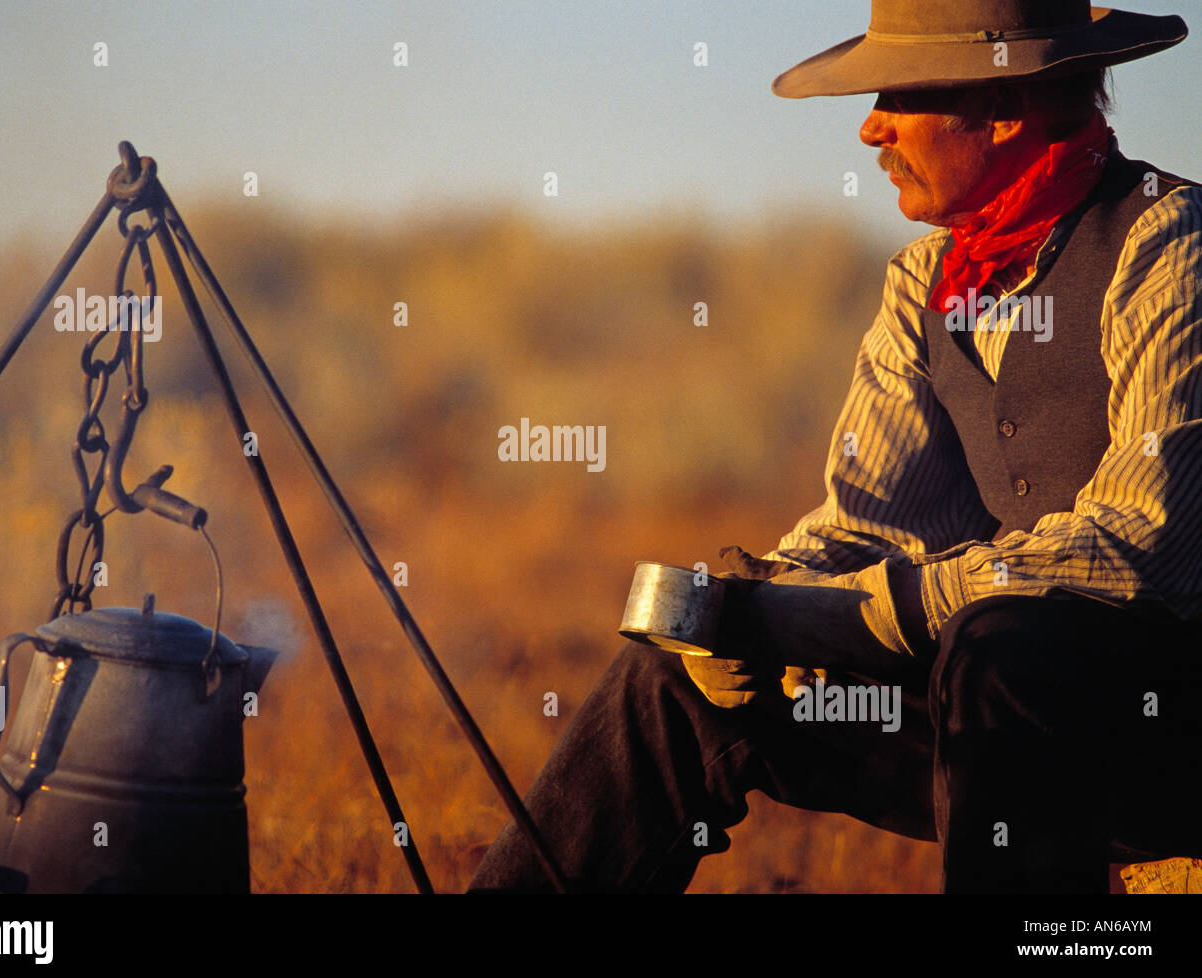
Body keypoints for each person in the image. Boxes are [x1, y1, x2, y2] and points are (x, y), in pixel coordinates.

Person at [469, 0, 1202, 893]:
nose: (869, 126)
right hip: (997, 714)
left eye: (899, 93)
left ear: (1006, 107)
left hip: (1167, 734)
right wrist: (748, 610)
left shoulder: (1170, 244)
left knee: (1000, 646)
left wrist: (833, 615)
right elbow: (870, 524)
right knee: (673, 679)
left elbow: (1141, 553)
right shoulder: (923, 283)